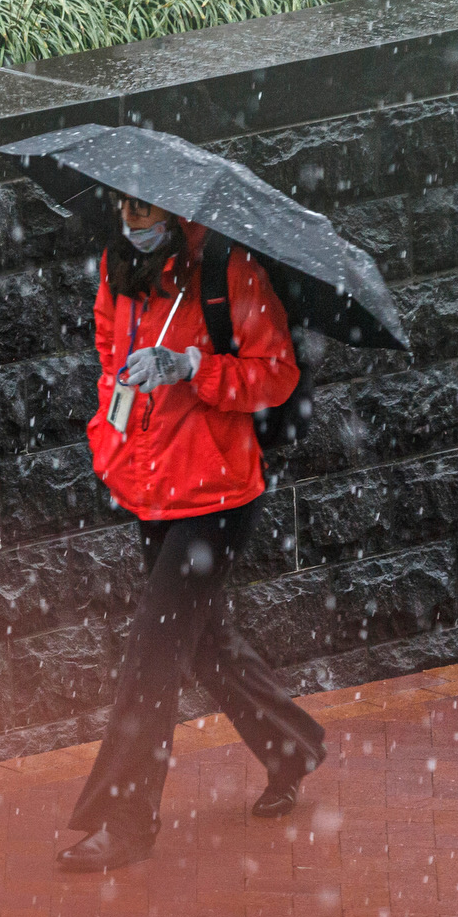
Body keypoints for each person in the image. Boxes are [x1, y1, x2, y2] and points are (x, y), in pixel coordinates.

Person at [57, 192, 329, 873]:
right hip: (153, 487)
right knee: (202, 641)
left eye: (147, 214)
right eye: (125, 211)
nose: (133, 224)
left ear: (176, 215)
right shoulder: (116, 265)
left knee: (153, 647)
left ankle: (126, 818)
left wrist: (189, 369)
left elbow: (276, 372)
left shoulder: (223, 271)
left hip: (218, 494)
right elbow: (104, 343)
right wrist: (118, 397)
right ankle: (287, 745)